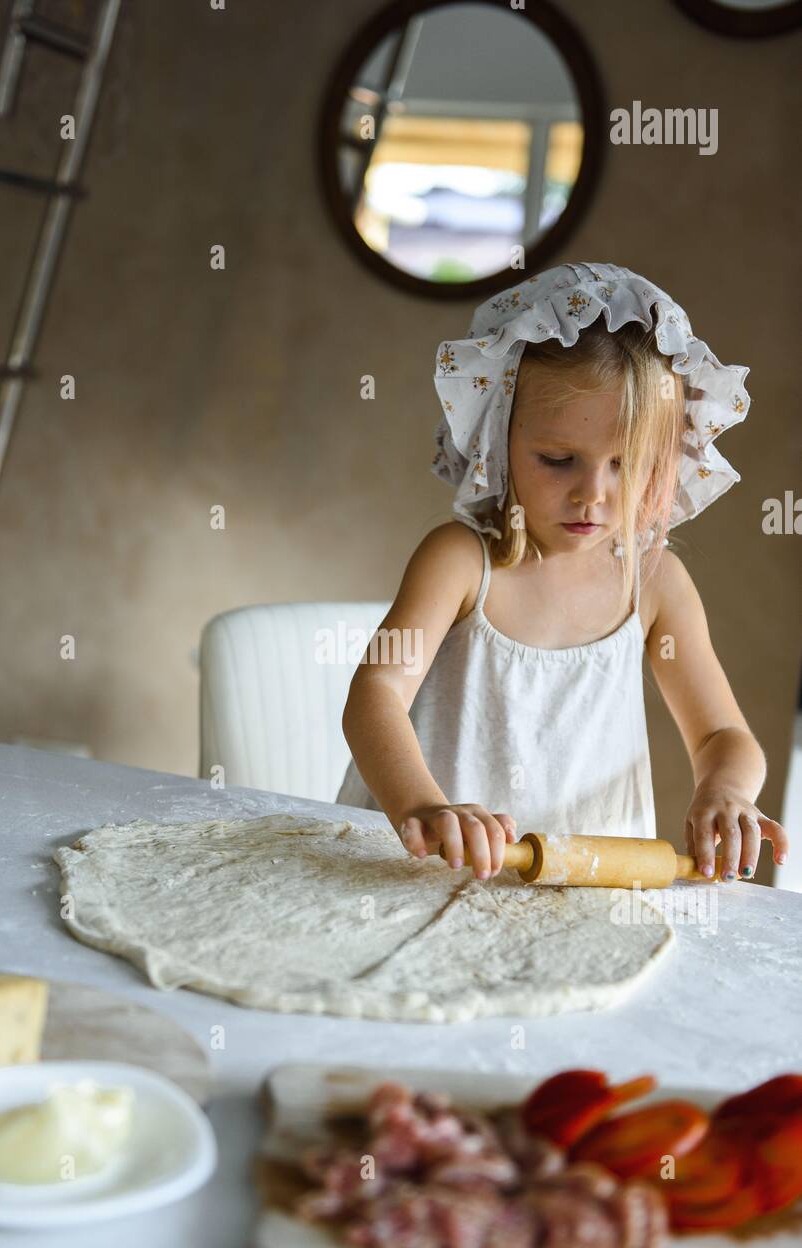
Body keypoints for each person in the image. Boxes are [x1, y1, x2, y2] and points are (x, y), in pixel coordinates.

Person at [336, 261, 789, 884]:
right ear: (498, 439)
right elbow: (376, 696)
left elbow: (720, 735)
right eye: (557, 459)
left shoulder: (654, 585)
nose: (592, 496)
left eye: (624, 465)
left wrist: (728, 790)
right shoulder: (462, 562)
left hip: (583, 884)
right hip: (425, 874)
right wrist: (424, 806)